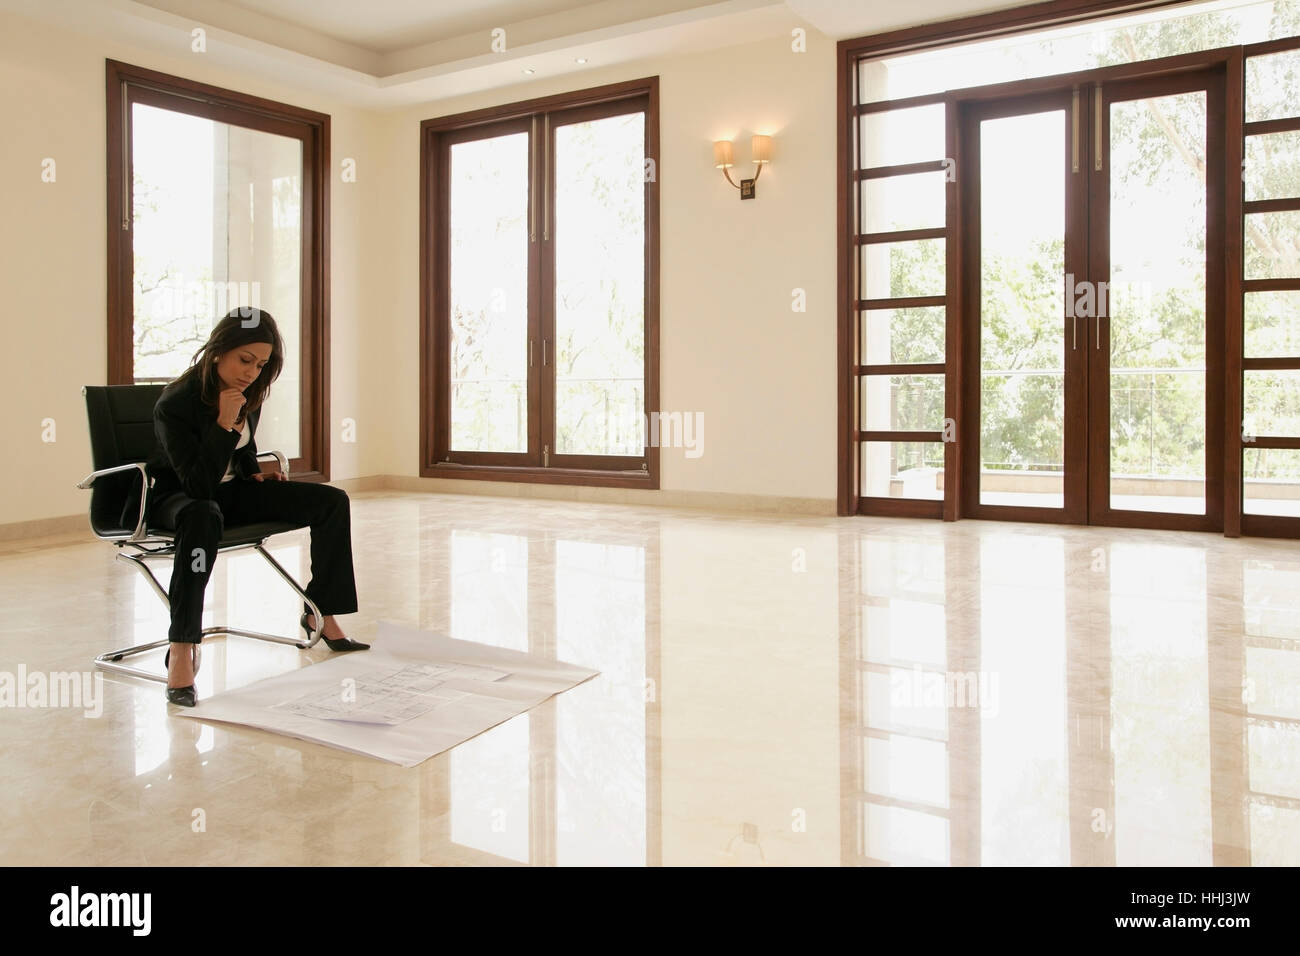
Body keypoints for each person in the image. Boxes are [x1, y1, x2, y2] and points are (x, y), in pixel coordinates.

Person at [145, 307, 367, 707]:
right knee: (202, 513)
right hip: (177, 500)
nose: (251, 372)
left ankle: (320, 612)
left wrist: (254, 475)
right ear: (218, 351)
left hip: (229, 495)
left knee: (330, 501)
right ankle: (181, 646)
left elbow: (242, 451)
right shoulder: (174, 403)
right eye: (245, 360)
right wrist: (223, 423)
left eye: (261, 364)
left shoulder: (249, 394)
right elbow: (197, 485)